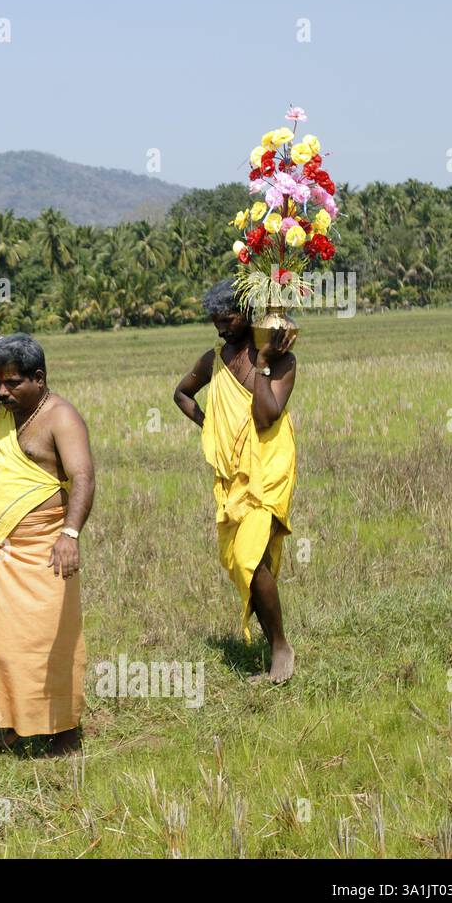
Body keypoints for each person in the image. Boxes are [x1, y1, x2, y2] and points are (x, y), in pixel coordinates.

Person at [0, 334, 95, 754]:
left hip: (46, 547)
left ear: (39, 378)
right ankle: (13, 721)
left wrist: (70, 534)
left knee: (45, 642)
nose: (2, 392)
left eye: (12, 383)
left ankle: (65, 735)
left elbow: (83, 477)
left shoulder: (61, 417)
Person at [173, 279, 298, 682]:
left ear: (247, 313)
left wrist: (262, 359)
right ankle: (273, 644)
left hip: (270, 463)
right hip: (231, 473)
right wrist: (212, 427)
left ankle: (280, 648)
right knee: (244, 562)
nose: (221, 329)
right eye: (214, 321)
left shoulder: (282, 360)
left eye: (226, 319)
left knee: (250, 556)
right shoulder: (214, 359)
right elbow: (182, 395)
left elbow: (266, 416)